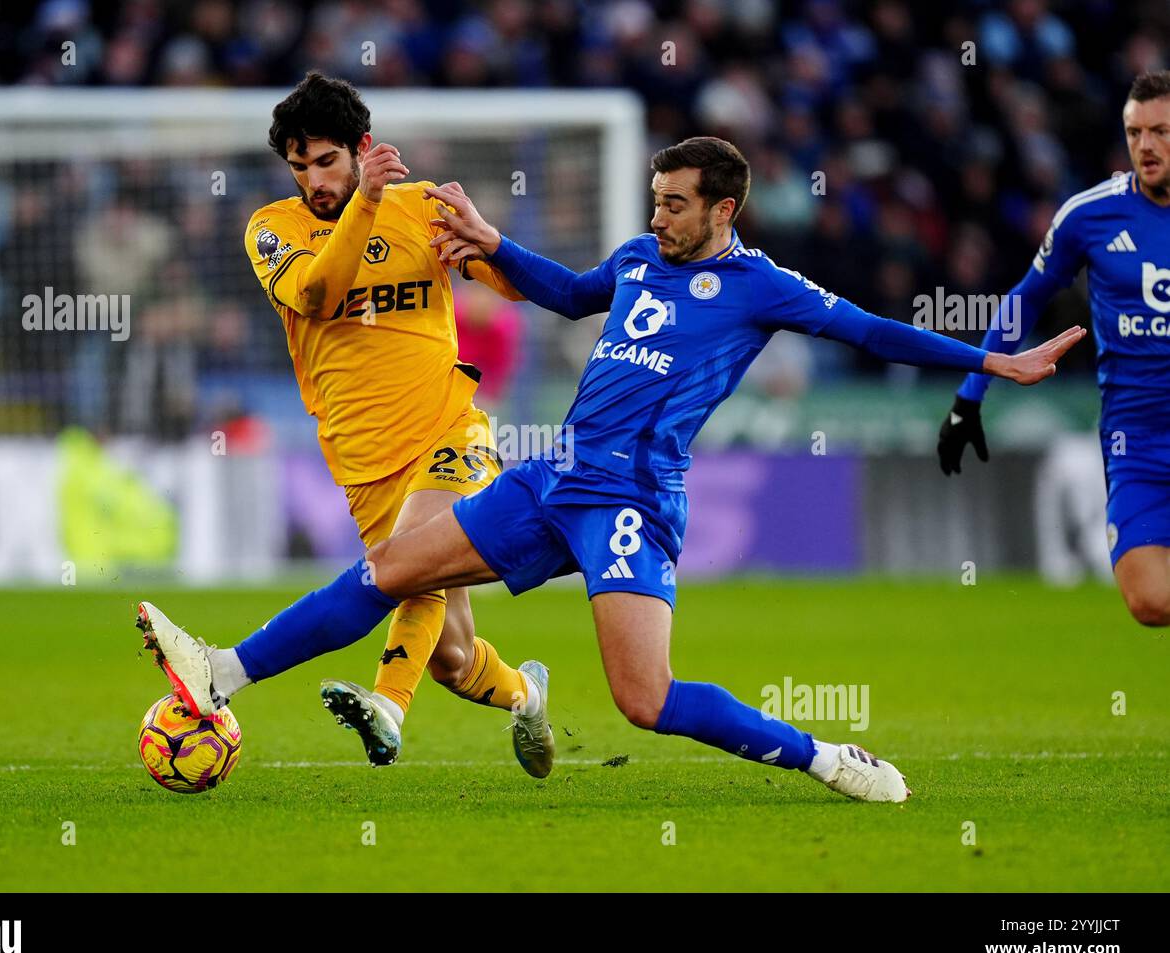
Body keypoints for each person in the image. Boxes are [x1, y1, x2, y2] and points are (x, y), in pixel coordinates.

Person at [140, 136, 1084, 802]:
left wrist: (988, 361)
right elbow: (570, 296)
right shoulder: (638, 256)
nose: (657, 215)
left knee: (646, 700)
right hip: (553, 476)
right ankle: (220, 671)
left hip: (631, 499)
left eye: (675, 203)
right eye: (655, 198)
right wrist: (490, 240)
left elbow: (872, 330)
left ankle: (825, 757)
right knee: (388, 571)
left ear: (724, 208)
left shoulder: (764, 288)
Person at [140, 72, 554, 777]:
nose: (314, 180)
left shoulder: (422, 206)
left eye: (326, 161)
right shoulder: (272, 228)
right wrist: (362, 204)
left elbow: (517, 290)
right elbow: (319, 292)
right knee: (454, 658)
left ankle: (381, 704)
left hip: (449, 426)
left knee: (413, 557)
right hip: (363, 460)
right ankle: (527, 695)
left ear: (362, 148)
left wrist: (487, 244)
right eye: (299, 166)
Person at [938, 71, 1170, 628]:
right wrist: (971, 395)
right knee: (1148, 603)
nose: (1146, 146)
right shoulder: (1089, 217)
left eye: (1160, 131)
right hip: (1134, 443)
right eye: (1135, 132)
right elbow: (1023, 301)